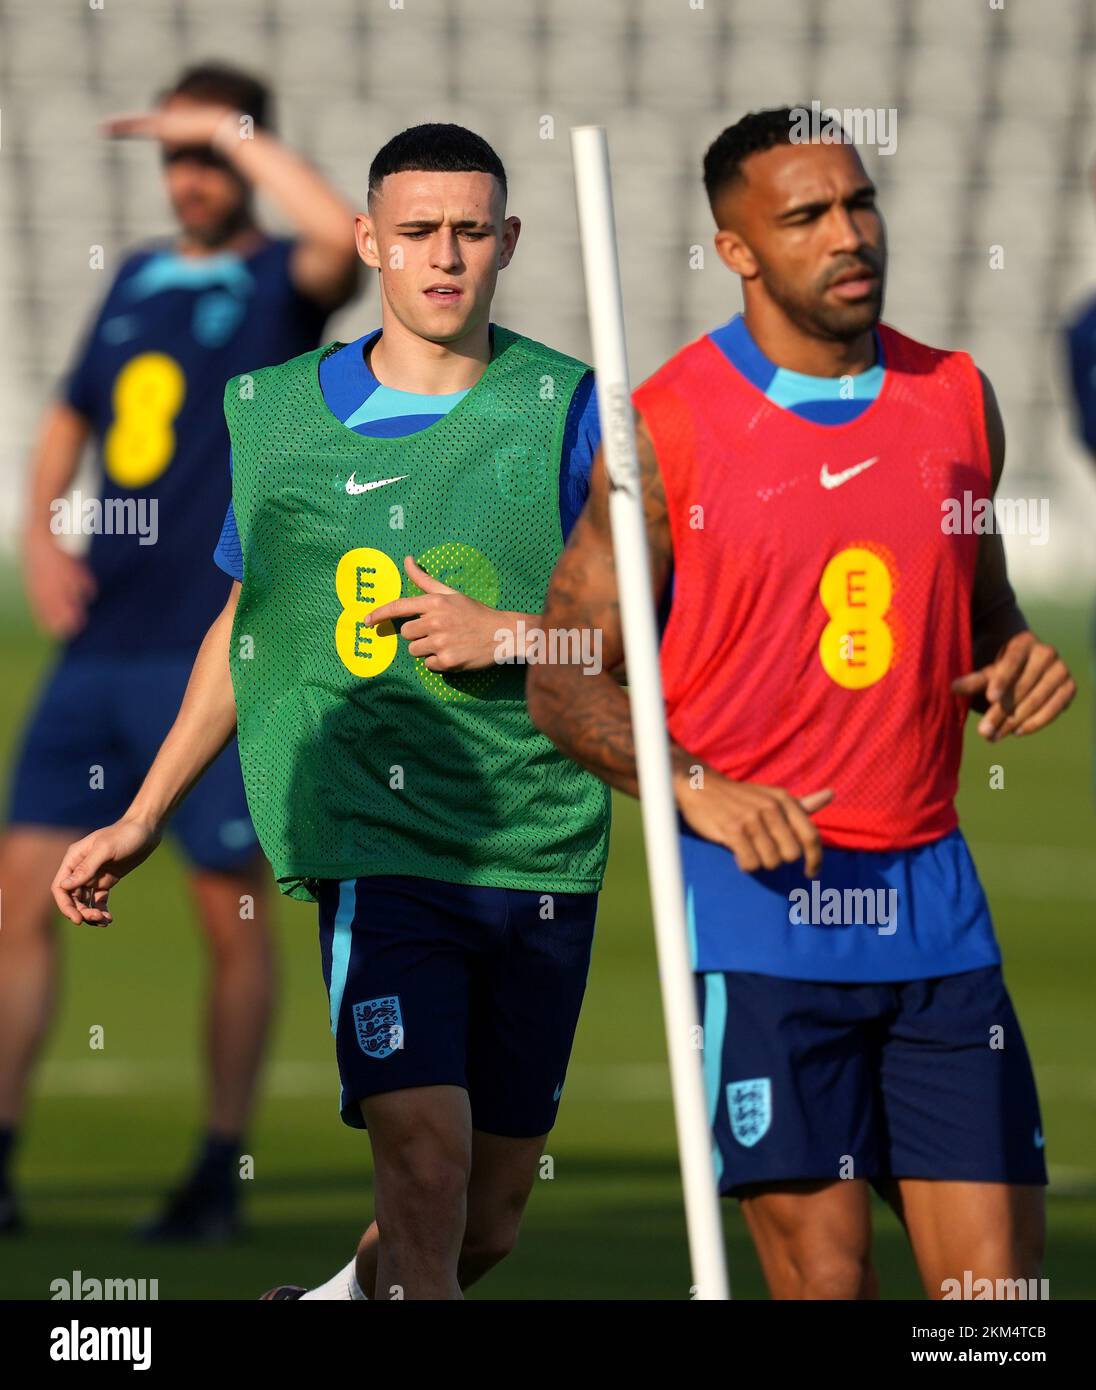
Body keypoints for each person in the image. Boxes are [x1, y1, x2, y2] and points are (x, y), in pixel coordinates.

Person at [51, 123, 611, 1301]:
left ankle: (335, 1299)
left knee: (483, 1221)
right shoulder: (272, 412)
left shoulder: (571, 409)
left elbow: (649, 637)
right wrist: (145, 811)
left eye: (469, 231)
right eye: (417, 231)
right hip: (372, 843)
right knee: (424, 1160)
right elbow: (248, 622)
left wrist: (514, 638)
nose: (444, 256)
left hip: (539, 843)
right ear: (367, 241)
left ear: (507, 241)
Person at [528, 108, 1076, 1299]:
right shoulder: (662, 427)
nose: (849, 235)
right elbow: (565, 671)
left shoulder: (956, 396)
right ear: (736, 250)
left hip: (933, 901)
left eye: (858, 203)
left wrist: (1017, 652)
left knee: (999, 1304)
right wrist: (695, 791)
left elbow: (983, 608)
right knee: (825, 1283)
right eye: (806, 217)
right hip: (760, 913)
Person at [0, 61, 360, 1241]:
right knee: (16, 898)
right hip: (99, 642)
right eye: (180, 155)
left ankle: (217, 1164)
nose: (191, 175)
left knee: (229, 911)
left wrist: (240, 133)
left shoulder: (276, 281)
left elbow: (342, 242)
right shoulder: (142, 280)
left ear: (246, 155)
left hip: (206, 641)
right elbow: (69, 414)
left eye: (210, 154)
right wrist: (41, 524)